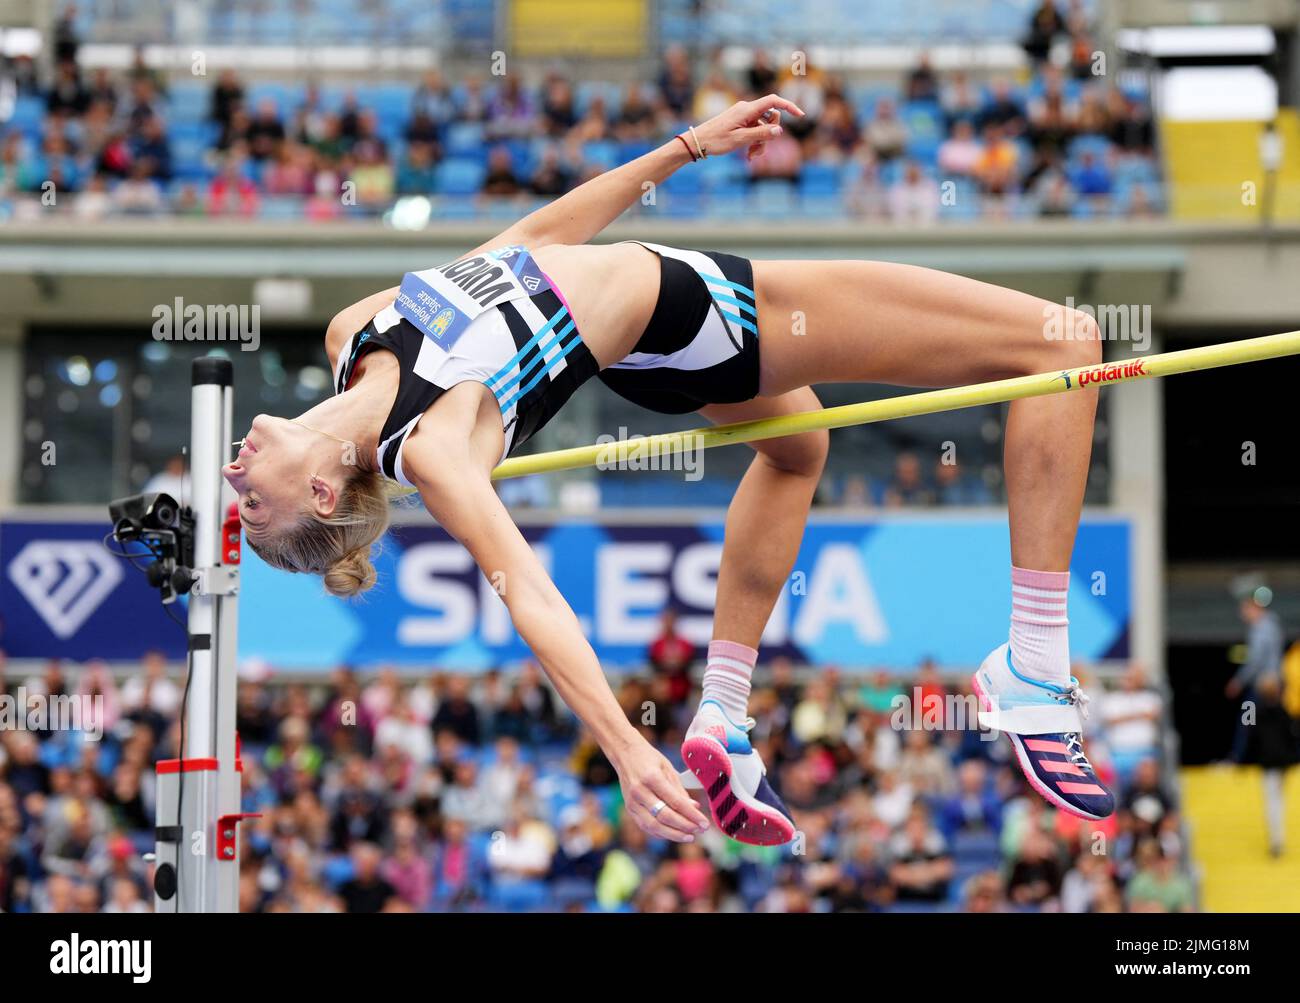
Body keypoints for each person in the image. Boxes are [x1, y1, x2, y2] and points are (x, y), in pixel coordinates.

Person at [222, 92, 1110, 848]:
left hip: (649, 352)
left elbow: (526, 242)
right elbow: (531, 596)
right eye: (253, 504)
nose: (233, 473)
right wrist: (622, 746)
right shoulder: (432, 448)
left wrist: (685, 150)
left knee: (798, 448)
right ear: (322, 494)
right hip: (708, 314)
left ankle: (724, 706)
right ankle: (1032, 664)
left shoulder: (352, 335)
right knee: (1061, 341)